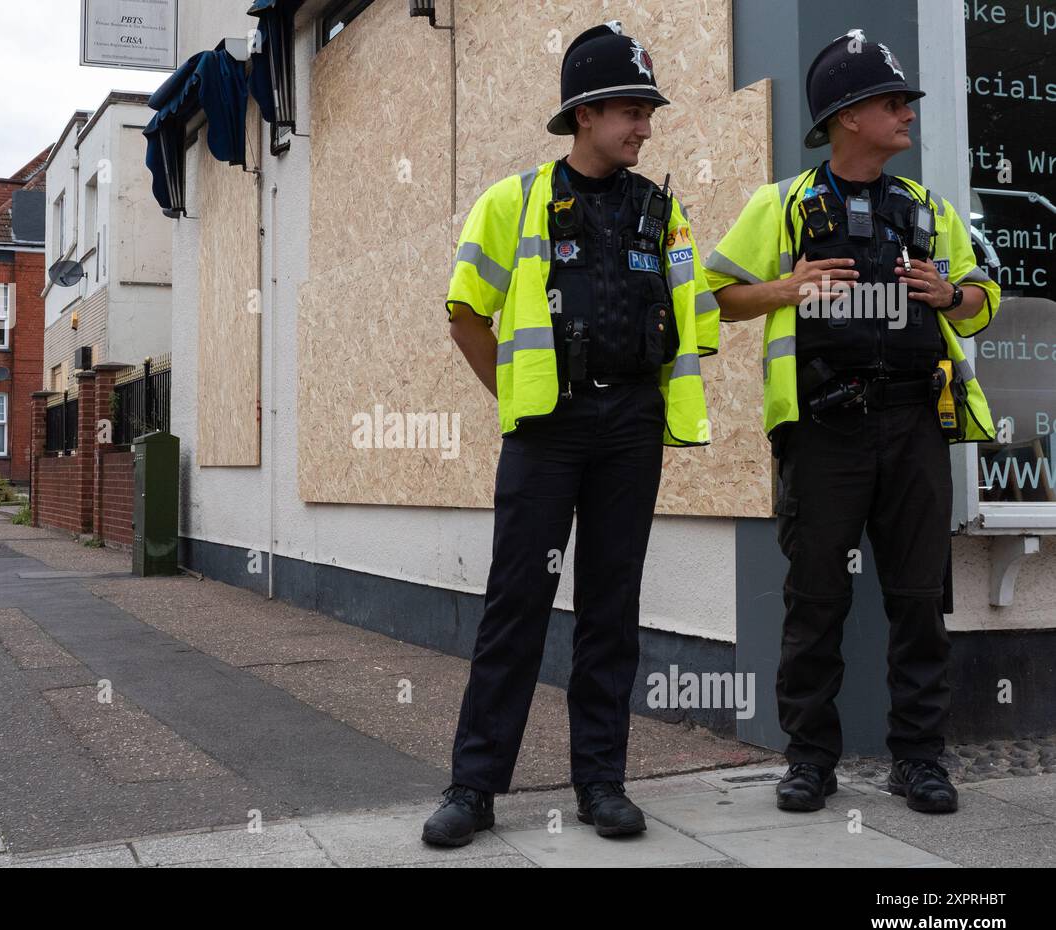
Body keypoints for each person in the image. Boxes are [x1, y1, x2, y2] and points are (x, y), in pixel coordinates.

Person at [423, 21, 719, 847]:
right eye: (631, 108)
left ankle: (601, 782)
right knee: (515, 605)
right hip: (546, 433)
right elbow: (464, 315)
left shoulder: (662, 213)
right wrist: (515, 396)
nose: (644, 126)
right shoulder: (511, 204)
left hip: (630, 427)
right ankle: (474, 788)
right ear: (584, 113)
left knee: (611, 607)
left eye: (648, 111)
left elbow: (699, 315)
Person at [706, 29, 999, 815]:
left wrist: (952, 297)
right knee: (815, 599)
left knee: (918, 598)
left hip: (914, 426)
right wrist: (786, 288)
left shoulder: (928, 209)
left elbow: (983, 299)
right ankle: (809, 759)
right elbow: (715, 296)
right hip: (823, 426)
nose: (908, 112)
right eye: (893, 101)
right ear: (846, 116)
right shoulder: (782, 205)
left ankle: (920, 760)